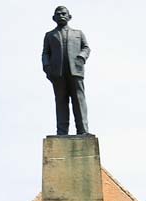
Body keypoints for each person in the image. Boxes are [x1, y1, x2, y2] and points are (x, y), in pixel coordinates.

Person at [42, 6, 90, 135]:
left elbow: (86, 48)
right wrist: (47, 68)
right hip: (58, 73)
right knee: (61, 101)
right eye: (58, 14)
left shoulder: (78, 33)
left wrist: (81, 57)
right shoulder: (49, 35)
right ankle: (62, 132)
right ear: (54, 18)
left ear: (69, 16)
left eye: (64, 13)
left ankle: (83, 130)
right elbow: (45, 53)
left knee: (79, 100)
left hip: (75, 71)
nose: (61, 16)